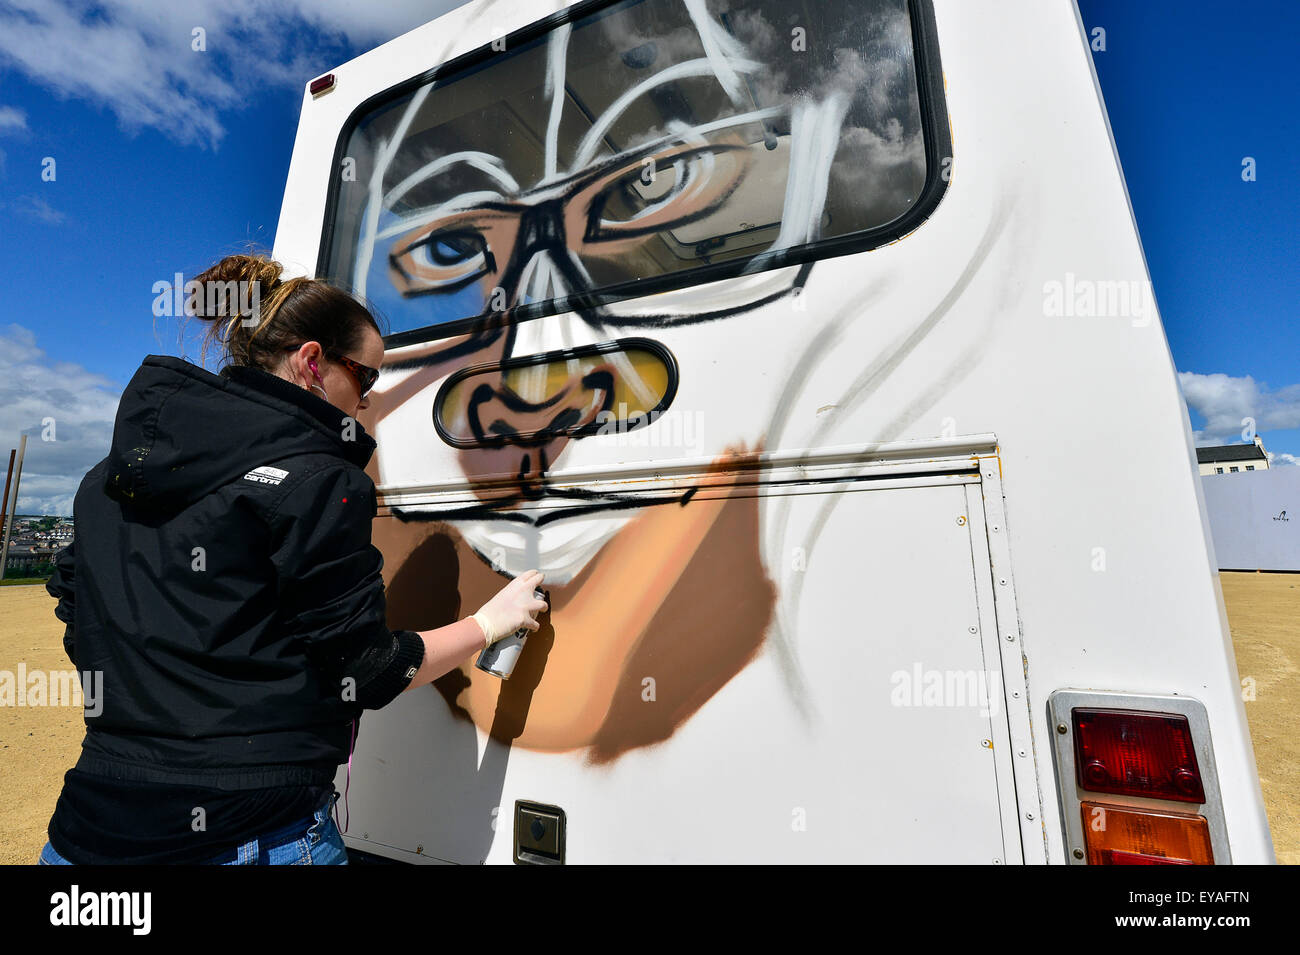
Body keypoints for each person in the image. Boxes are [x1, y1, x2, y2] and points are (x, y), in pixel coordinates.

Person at [37, 252, 546, 865]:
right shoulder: (320, 480)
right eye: (366, 378)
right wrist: (490, 624)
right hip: (249, 836)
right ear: (311, 363)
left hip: (88, 831)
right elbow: (371, 670)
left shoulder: (107, 478)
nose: (367, 402)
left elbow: (75, 598)